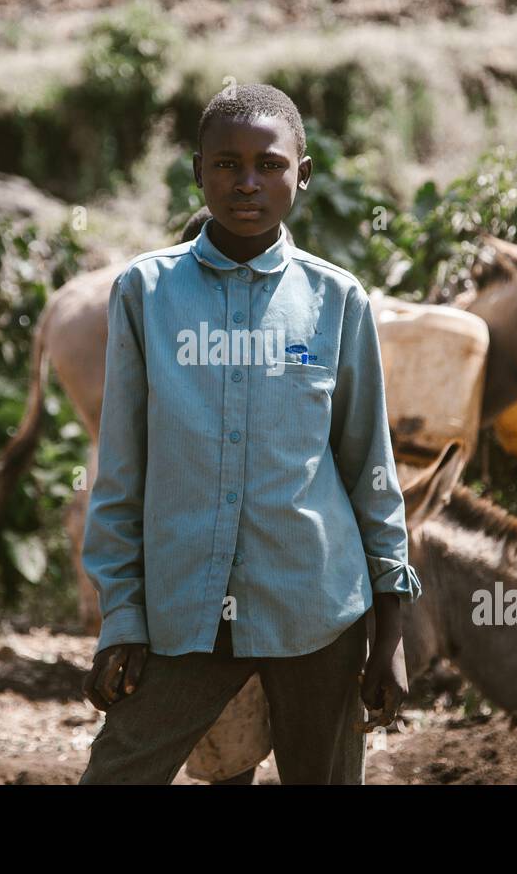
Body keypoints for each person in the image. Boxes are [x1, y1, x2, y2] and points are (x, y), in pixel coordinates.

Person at [77, 84, 421, 784]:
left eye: (269, 163)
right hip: (183, 614)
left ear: (303, 172)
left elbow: (369, 469)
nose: (247, 182)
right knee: (116, 773)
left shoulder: (336, 300)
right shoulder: (146, 293)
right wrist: (122, 617)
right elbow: (121, 472)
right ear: (197, 171)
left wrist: (390, 630)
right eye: (227, 164)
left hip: (316, 610)